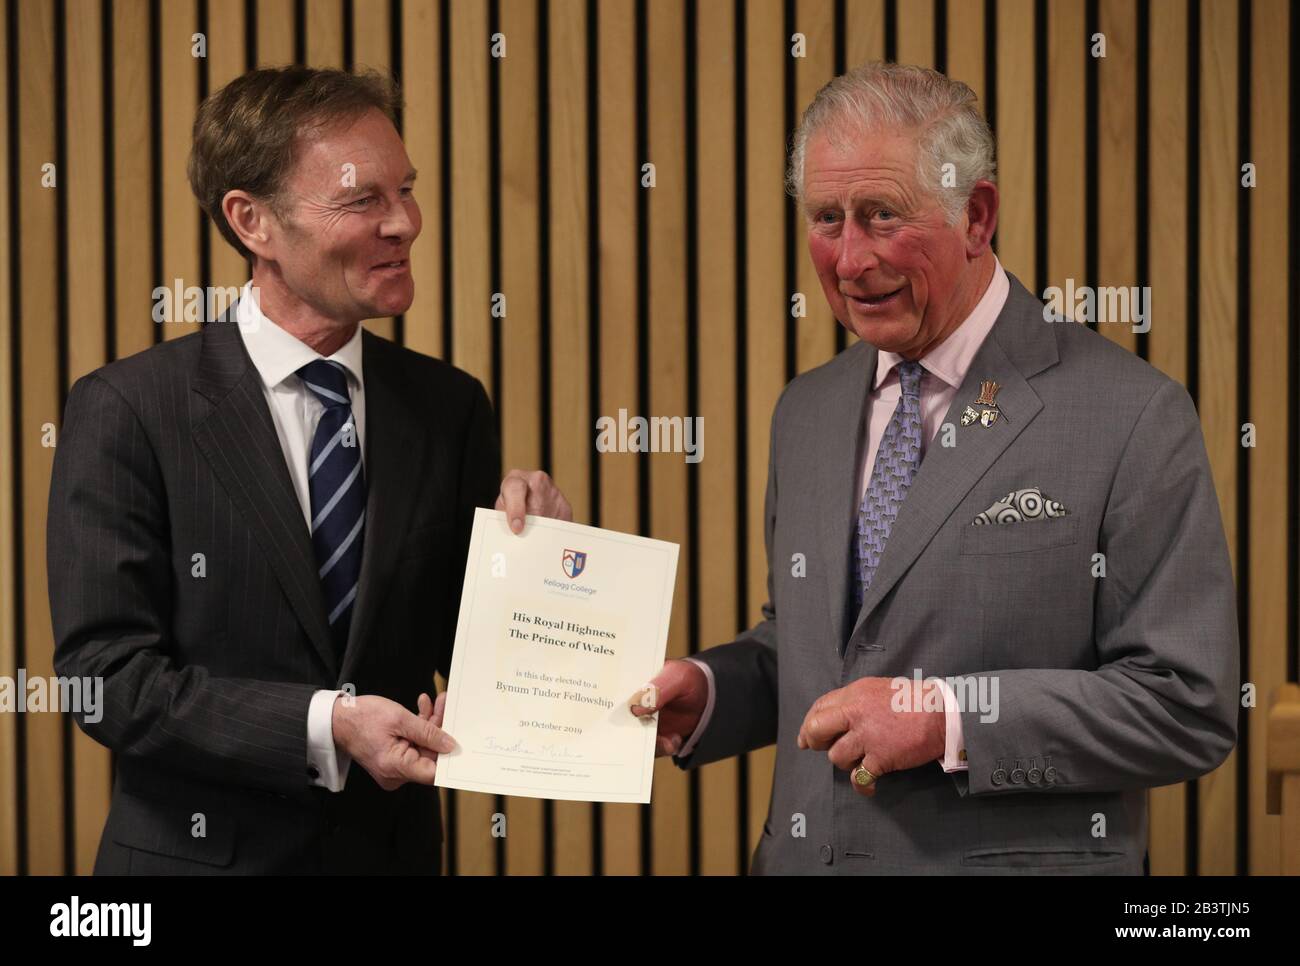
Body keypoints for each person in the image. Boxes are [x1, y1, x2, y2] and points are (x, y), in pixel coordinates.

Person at [637, 62, 1238, 875]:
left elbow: (1184, 703)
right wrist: (711, 692)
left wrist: (950, 717)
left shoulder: (1133, 415)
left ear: (977, 216)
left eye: (881, 216)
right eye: (825, 218)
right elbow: (818, 651)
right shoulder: (805, 412)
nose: (848, 260)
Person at [47, 66, 570, 874]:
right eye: (364, 199)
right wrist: (326, 724)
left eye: (408, 190)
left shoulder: (448, 405)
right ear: (252, 220)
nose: (405, 223)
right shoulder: (130, 408)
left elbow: (474, 663)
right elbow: (105, 678)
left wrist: (536, 566)